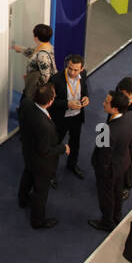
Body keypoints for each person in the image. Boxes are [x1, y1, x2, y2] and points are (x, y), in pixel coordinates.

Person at [17, 84, 66, 230]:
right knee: (41, 192)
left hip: (28, 153)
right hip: (41, 163)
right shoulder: (44, 125)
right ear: (50, 101)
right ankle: (38, 221)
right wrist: (63, 148)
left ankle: (22, 199)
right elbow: (45, 151)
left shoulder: (26, 104)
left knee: (27, 174)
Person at [89, 90, 132, 233]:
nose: (103, 103)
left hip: (109, 170)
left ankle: (107, 222)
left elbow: (103, 158)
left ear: (115, 109)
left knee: (106, 196)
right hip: (123, 163)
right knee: (117, 190)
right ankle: (117, 215)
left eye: (107, 102)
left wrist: (100, 171)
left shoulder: (106, 131)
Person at [50, 54, 89, 182]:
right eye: (70, 68)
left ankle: (71, 165)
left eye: (75, 70)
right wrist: (67, 104)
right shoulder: (56, 79)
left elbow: (85, 90)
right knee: (55, 145)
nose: (72, 72)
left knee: (75, 143)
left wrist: (86, 97)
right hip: (61, 119)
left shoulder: (83, 76)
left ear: (81, 69)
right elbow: (51, 102)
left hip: (77, 117)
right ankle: (51, 173)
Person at [12, 23, 56, 108]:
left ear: (36, 37)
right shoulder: (46, 46)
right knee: (24, 101)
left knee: (27, 104)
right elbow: (33, 52)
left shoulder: (42, 54)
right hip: (34, 83)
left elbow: (46, 76)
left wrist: (32, 80)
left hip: (36, 88)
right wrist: (20, 49)